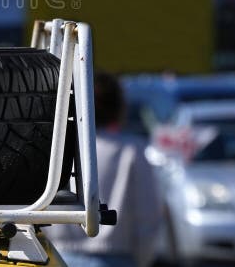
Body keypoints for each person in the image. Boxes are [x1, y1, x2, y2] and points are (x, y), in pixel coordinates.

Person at [44, 72, 163, 267]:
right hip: (117, 258)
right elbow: (148, 216)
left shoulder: (58, 150)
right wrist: (141, 259)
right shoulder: (132, 150)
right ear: (118, 106)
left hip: (58, 255)